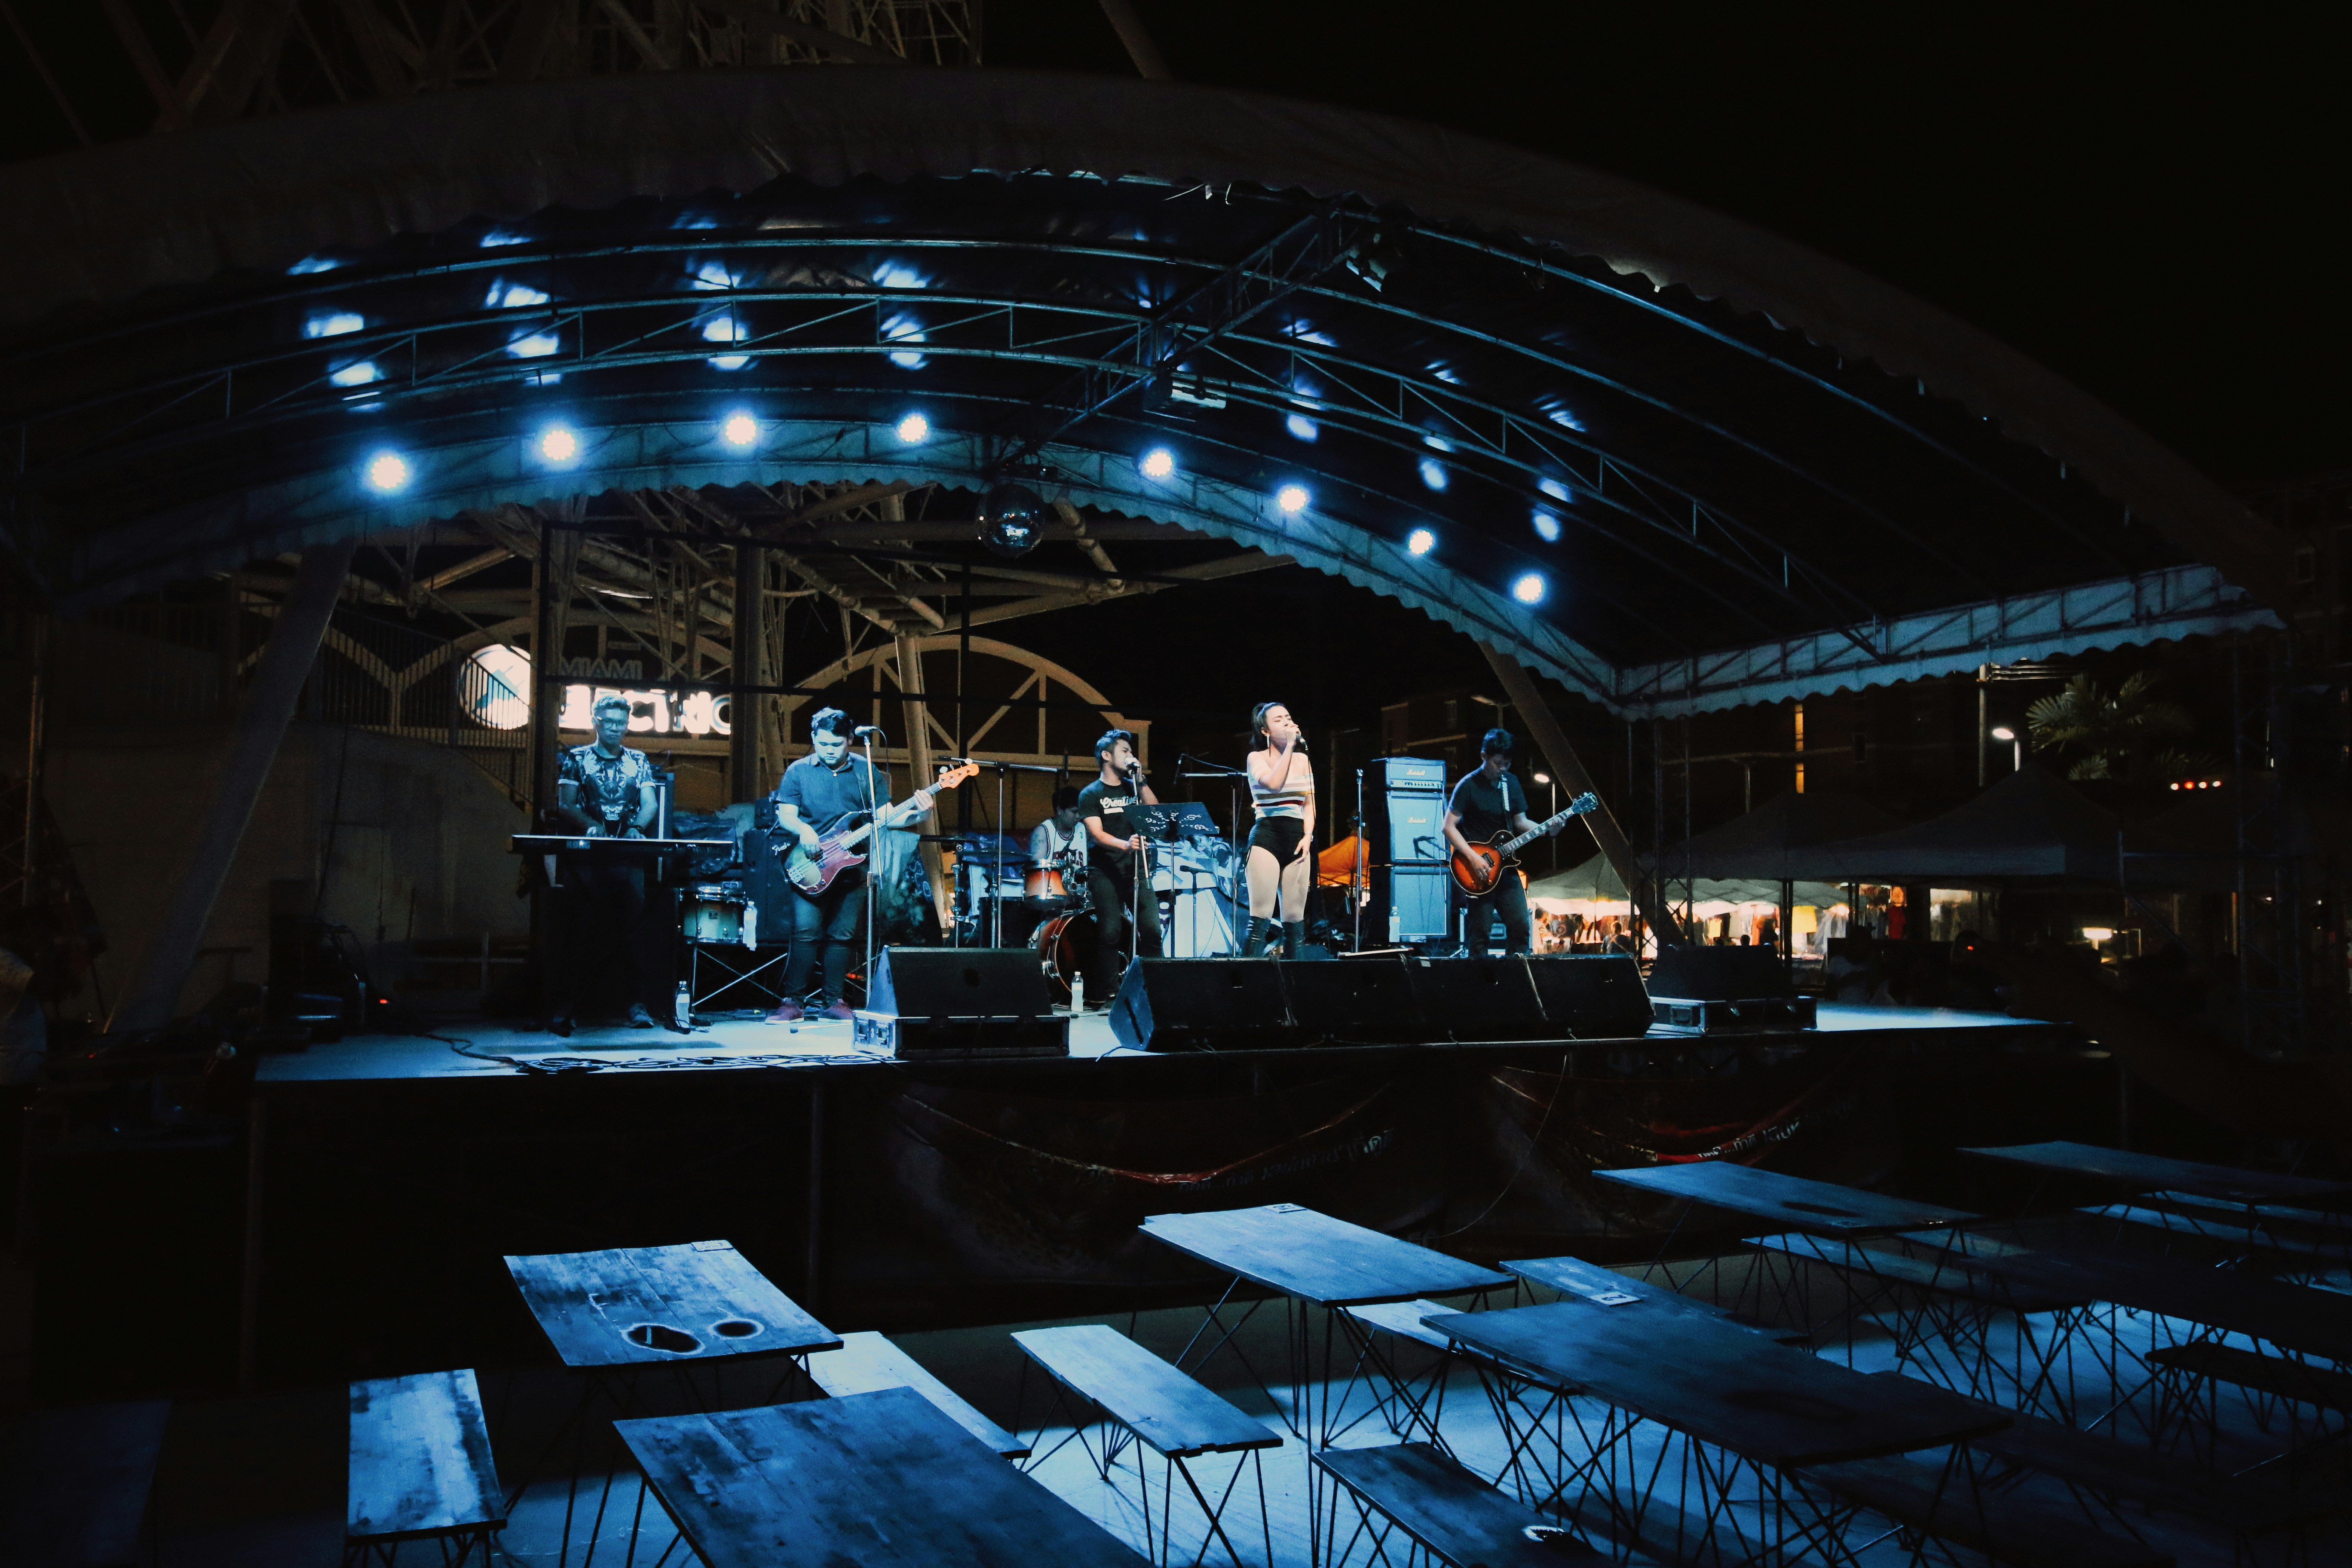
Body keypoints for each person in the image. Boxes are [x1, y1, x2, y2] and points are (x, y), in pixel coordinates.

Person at [766, 707, 942, 1022]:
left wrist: (922, 814)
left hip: (853, 865)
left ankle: (833, 1000)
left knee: (843, 935)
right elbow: (786, 814)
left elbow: (887, 817)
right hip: (811, 862)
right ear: (813, 739)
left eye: (837, 744)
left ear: (850, 740)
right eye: (822, 744)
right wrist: (805, 830)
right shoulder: (798, 771)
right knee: (805, 932)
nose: (829, 751)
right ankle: (793, 1001)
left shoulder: (866, 772)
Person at [548, 692, 659, 1034]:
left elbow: (650, 803)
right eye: (608, 722)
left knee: (632, 934)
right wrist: (590, 826)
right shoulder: (576, 758)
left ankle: (635, 1004)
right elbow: (565, 804)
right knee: (581, 932)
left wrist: (638, 828)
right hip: (586, 859)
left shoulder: (638, 760)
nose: (615, 729)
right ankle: (570, 1005)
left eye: (621, 723)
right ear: (595, 722)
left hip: (627, 859)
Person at [1441, 728, 1560, 956]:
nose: (1502, 769)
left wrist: (1548, 830)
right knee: (1480, 934)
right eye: (1497, 763)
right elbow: (1448, 827)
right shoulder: (1468, 786)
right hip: (1478, 870)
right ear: (1484, 756)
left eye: (1507, 764)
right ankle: (1480, 985)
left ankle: (1513, 982)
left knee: (1520, 928)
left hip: (1506, 870)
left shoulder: (1510, 783)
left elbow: (1521, 822)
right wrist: (1474, 858)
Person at [1076, 729, 1162, 1006]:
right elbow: (1097, 835)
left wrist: (1142, 781)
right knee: (1110, 932)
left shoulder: (1133, 788)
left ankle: (1155, 990)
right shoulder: (1091, 794)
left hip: (1138, 867)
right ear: (1106, 756)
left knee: (1151, 930)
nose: (1131, 755)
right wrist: (1126, 845)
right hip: (1105, 871)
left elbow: (1156, 813)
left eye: (1130, 751)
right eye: (1125, 751)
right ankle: (1110, 993)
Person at [1241, 702, 1315, 957]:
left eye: (1288, 716)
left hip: (1298, 837)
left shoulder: (1303, 760)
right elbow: (1274, 784)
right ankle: (1244, 982)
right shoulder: (1256, 758)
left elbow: (1309, 805)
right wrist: (1291, 748)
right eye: (1278, 720)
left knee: (1295, 920)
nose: (1286, 722)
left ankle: (1295, 986)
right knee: (1260, 918)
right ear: (1266, 732)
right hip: (1267, 835)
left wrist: (1308, 835)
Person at [1028, 786, 1088, 873]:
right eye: (1074, 812)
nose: (1078, 816)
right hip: (1053, 886)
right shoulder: (1043, 832)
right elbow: (1037, 874)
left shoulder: (1083, 829)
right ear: (1060, 810)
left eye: (1080, 812)